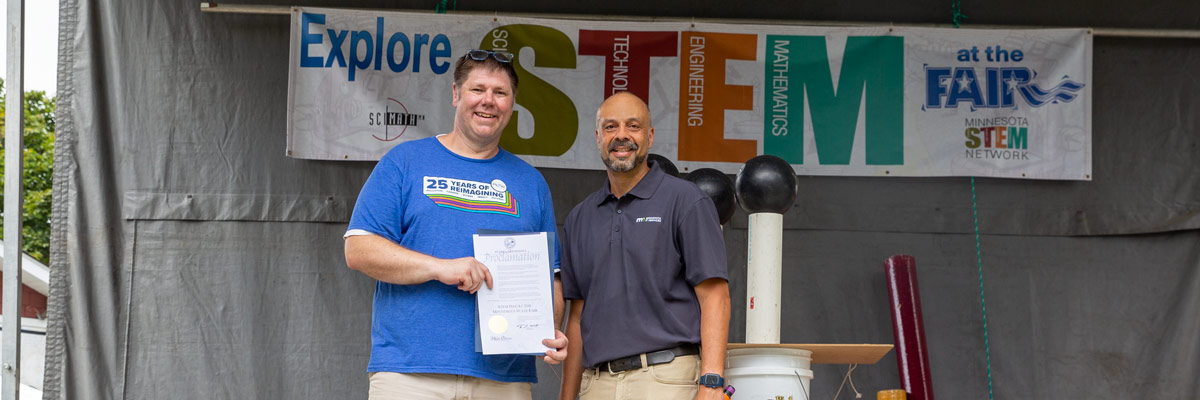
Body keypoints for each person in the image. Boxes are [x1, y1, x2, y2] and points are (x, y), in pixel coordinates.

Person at [344, 49, 568, 400]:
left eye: (500, 92)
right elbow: (358, 249)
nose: (488, 102)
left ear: (512, 104)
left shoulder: (531, 183)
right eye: (478, 89)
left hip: (503, 380)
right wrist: (439, 268)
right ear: (455, 94)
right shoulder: (405, 162)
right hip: (411, 374)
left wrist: (548, 329)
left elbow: (549, 279)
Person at [558, 92, 731, 400]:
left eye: (633, 126)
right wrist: (567, 396)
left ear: (649, 136)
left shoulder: (686, 201)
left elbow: (714, 296)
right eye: (610, 127)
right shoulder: (579, 218)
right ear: (597, 137)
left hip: (665, 379)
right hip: (595, 384)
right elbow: (577, 316)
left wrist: (712, 383)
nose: (621, 135)